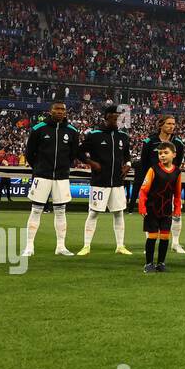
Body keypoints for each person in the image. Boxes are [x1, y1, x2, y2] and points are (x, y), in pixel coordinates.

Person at [23, 99, 80, 257]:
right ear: (51, 110)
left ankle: (60, 246)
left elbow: (73, 154)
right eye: (57, 109)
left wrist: (63, 167)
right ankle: (29, 246)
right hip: (42, 175)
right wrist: (39, 168)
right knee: (36, 210)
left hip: (61, 177)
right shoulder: (38, 129)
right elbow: (29, 153)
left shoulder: (72, 131)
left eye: (63, 109)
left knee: (61, 211)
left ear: (66, 112)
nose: (60, 111)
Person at [77, 103, 133, 255]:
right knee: (93, 212)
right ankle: (86, 246)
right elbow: (79, 152)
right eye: (114, 118)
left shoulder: (123, 136)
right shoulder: (95, 135)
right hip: (99, 182)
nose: (117, 121)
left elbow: (127, 154)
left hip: (117, 182)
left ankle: (120, 246)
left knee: (119, 213)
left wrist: (128, 164)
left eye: (118, 118)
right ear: (106, 118)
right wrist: (90, 162)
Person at [133, 116, 185, 248]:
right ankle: (150, 243)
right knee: (151, 215)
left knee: (176, 213)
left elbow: (177, 163)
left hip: (170, 183)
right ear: (161, 125)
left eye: (173, 124)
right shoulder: (150, 141)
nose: (172, 126)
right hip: (153, 185)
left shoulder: (178, 142)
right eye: (168, 123)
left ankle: (175, 243)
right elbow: (144, 163)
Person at [138, 142, 182, 273]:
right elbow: (144, 190)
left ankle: (161, 263)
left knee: (164, 237)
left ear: (174, 154)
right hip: (152, 209)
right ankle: (148, 263)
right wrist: (142, 207)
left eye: (165, 153)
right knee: (151, 237)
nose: (162, 156)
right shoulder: (153, 169)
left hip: (167, 210)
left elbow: (178, 193)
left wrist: (177, 209)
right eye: (160, 153)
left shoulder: (177, 172)